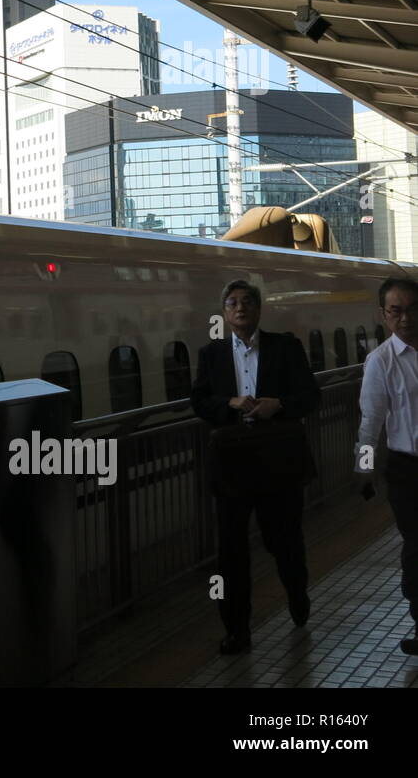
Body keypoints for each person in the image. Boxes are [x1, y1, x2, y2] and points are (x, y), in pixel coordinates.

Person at [191, 278, 320, 655]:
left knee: (285, 541)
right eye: (232, 303)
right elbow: (199, 401)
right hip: (232, 466)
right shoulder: (210, 354)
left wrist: (277, 404)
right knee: (230, 552)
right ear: (224, 312)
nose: (240, 308)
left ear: (259, 309)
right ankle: (236, 630)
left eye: (247, 302)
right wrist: (229, 403)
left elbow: (310, 396)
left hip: (278, 461)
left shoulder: (285, 347)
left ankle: (297, 594)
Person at [357, 277, 418, 655]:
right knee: (416, 544)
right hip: (407, 470)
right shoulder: (380, 361)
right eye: (396, 311)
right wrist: (364, 469)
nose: (405, 318)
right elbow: (371, 420)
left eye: (411, 309)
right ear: (384, 315)